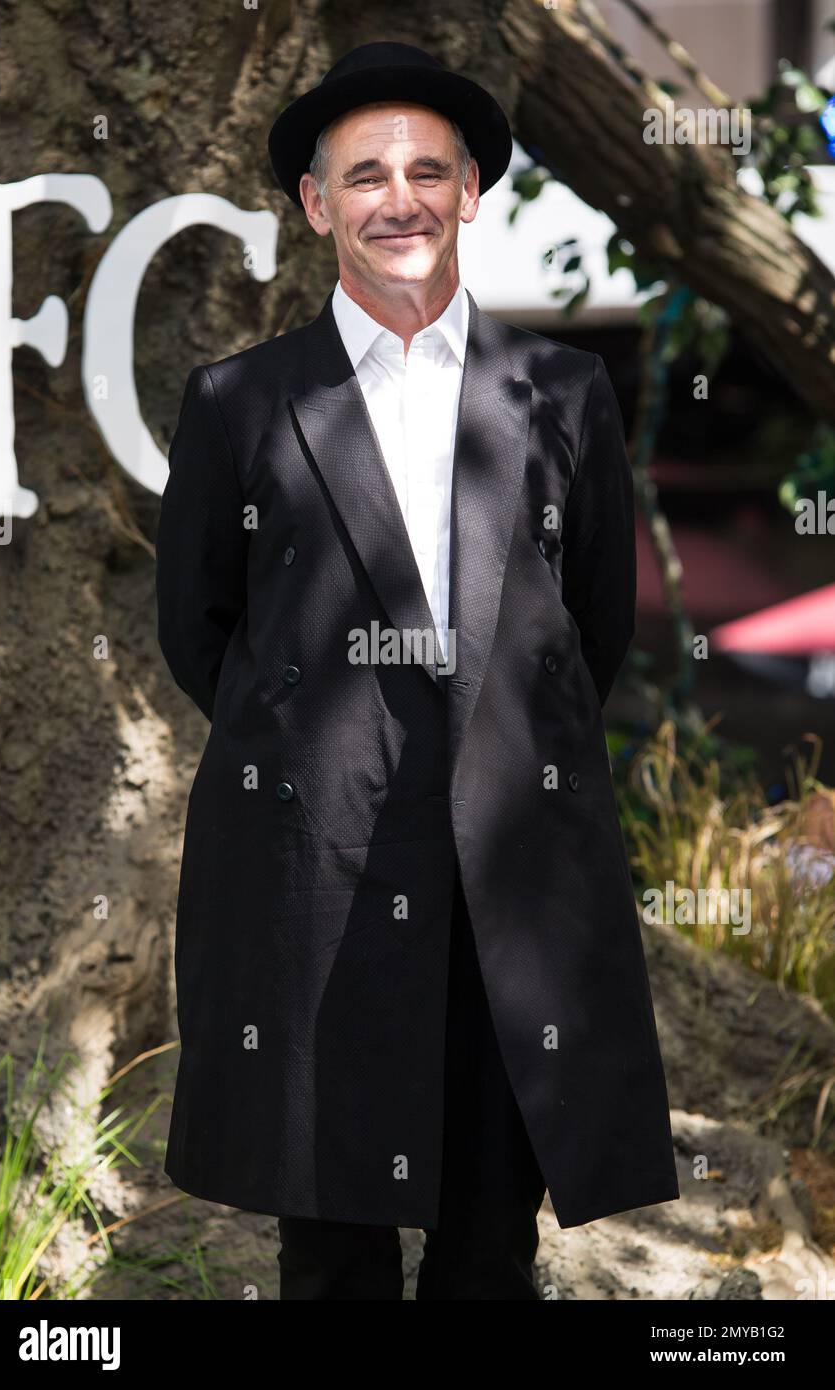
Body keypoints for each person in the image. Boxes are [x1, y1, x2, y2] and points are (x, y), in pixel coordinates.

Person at [155, 41, 680, 1301]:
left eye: (427, 171)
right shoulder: (237, 403)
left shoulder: (561, 393)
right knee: (328, 1245)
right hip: (313, 874)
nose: (401, 197)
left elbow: (586, 631)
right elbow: (201, 632)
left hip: (505, 874)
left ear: (469, 193)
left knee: (490, 1237)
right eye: (367, 174)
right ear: (316, 204)